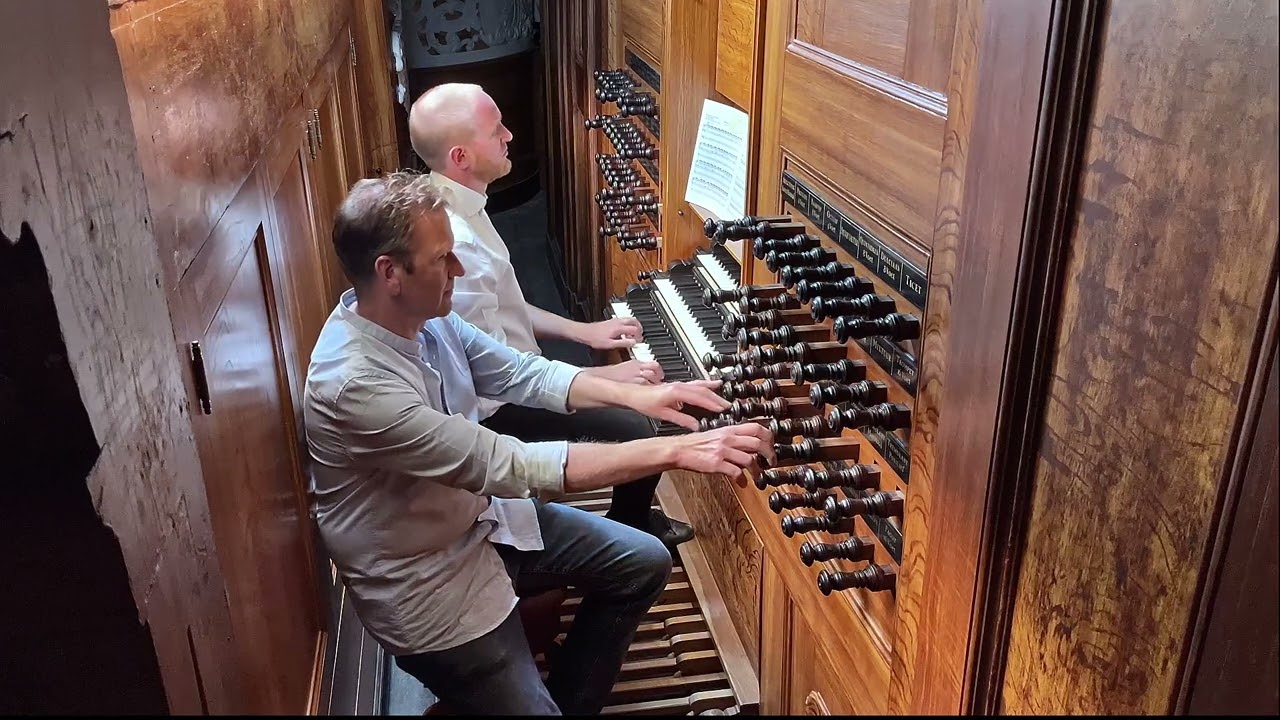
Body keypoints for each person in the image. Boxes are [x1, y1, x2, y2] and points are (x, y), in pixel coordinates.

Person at [304, 172, 774, 715]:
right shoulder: (356, 386)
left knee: (643, 561)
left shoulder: (426, 317)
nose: (457, 270)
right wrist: (678, 450)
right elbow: (513, 464)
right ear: (391, 273)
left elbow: (523, 373)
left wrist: (639, 398)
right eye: (442, 259)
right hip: (426, 582)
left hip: (482, 521)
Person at [405, 82, 696, 548]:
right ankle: (630, 528)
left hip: (513, 379)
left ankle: (627, 523)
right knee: (636, 426)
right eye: (495, 128)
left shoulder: (461, 203)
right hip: (493, 414)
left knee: (630, 407)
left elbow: (507, 305)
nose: (509, 135)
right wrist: (601, 382)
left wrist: (585, 331)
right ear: (460, 157)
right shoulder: (458, 241)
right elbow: (493, 374)